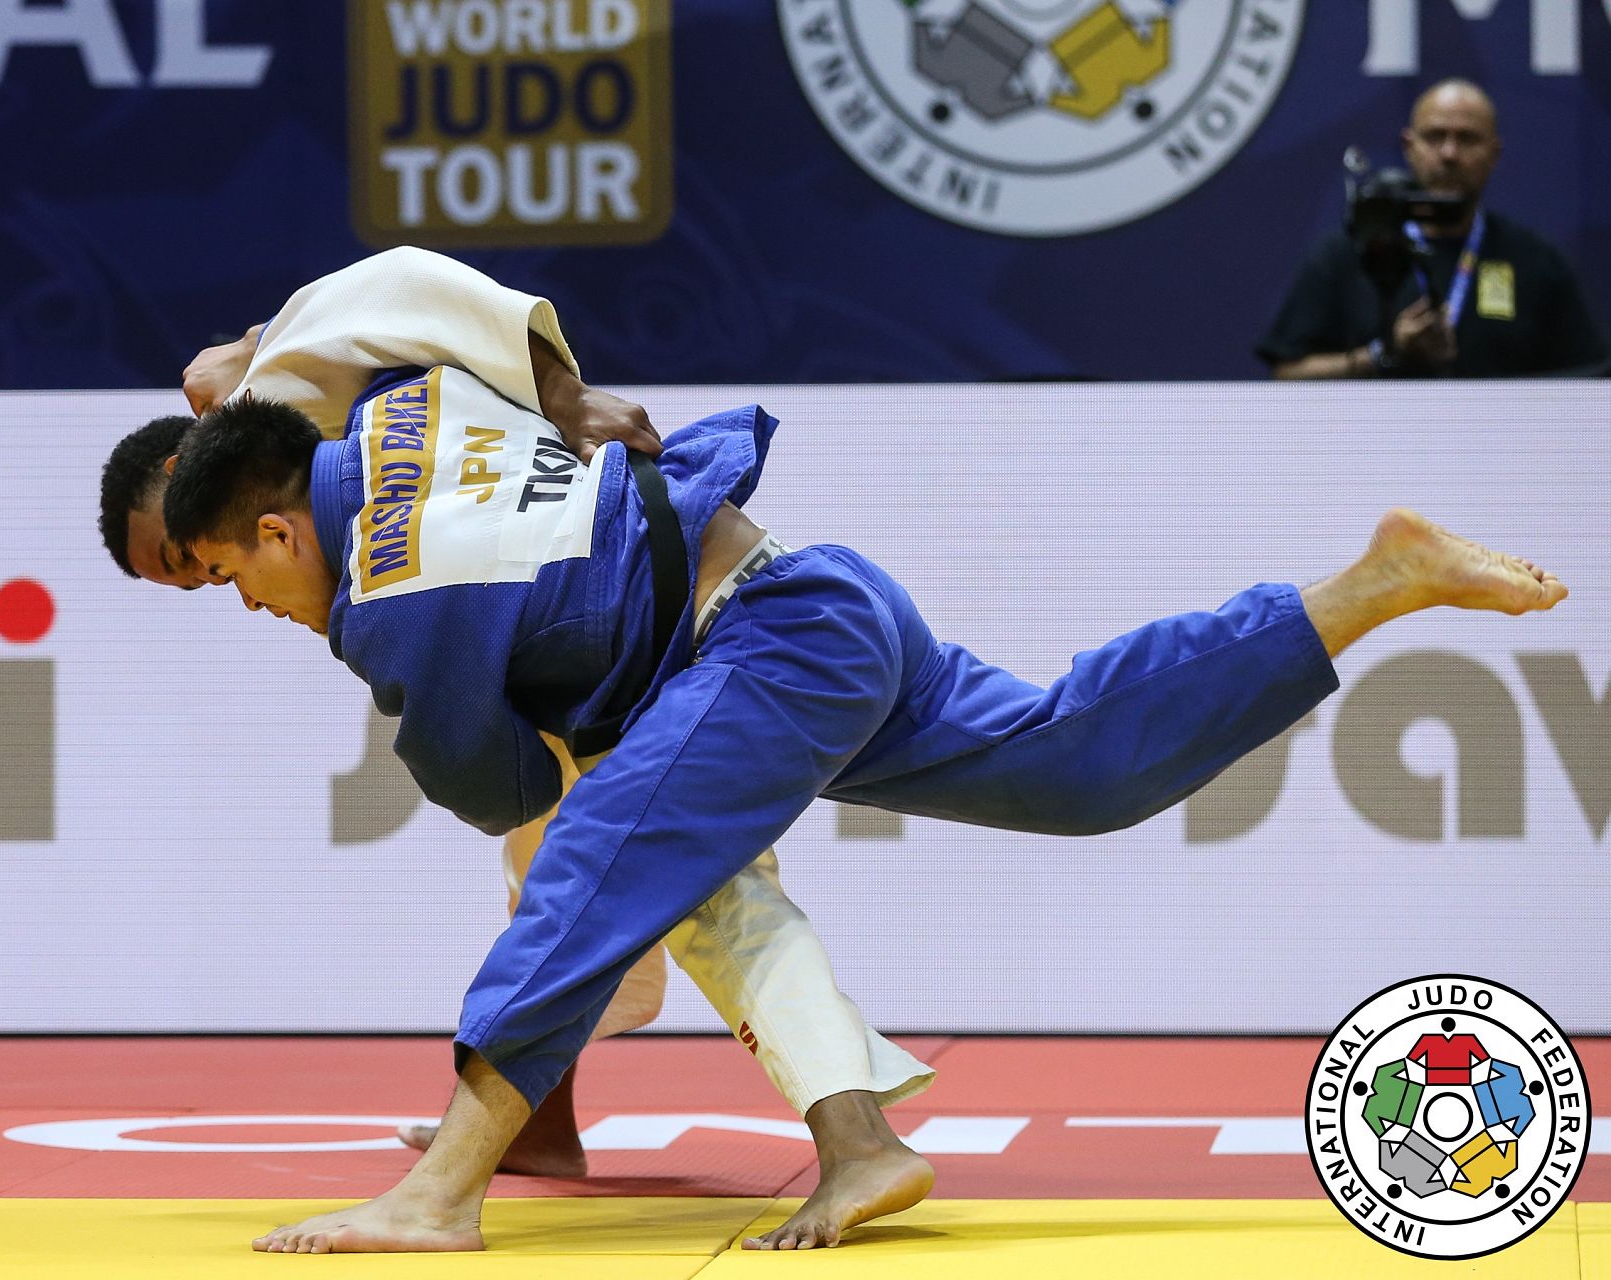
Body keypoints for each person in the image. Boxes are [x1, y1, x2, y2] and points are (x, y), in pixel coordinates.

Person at [160, 357, 1567, 1255]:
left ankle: (438, 1195)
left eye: (233, 579)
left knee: (590, 864)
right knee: (1079, 766)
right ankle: (1367, 587)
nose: (258, 608)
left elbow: (507, 791)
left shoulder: (380, 599)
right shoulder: (412, 411)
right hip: (812, 591)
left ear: (282, 526)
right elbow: (520, 367)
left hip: (755, 641)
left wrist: (595, 792)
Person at [98, 248, 937, 1243]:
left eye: (183, 557)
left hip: (608, 600)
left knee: (693, 890)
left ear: (175, 467)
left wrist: (567, 397)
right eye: (187, 582)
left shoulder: (245, 384)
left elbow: (407, 282)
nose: (203, 576)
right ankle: (541, 1123)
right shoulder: (294, 504)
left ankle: (853, 1133)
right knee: (547, 868)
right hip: (548, 634)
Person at [1259, 78, 1607, 379]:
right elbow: (1288, 375)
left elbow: (1589, 381)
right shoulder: (1348, 253)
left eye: (1467, 139)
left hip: (1497, 449)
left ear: (1494, 153)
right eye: (1435, 137)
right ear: (1409, 147)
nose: (1449, 153)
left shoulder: (1535, 261)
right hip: (1375, 449)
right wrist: (1384, 355)